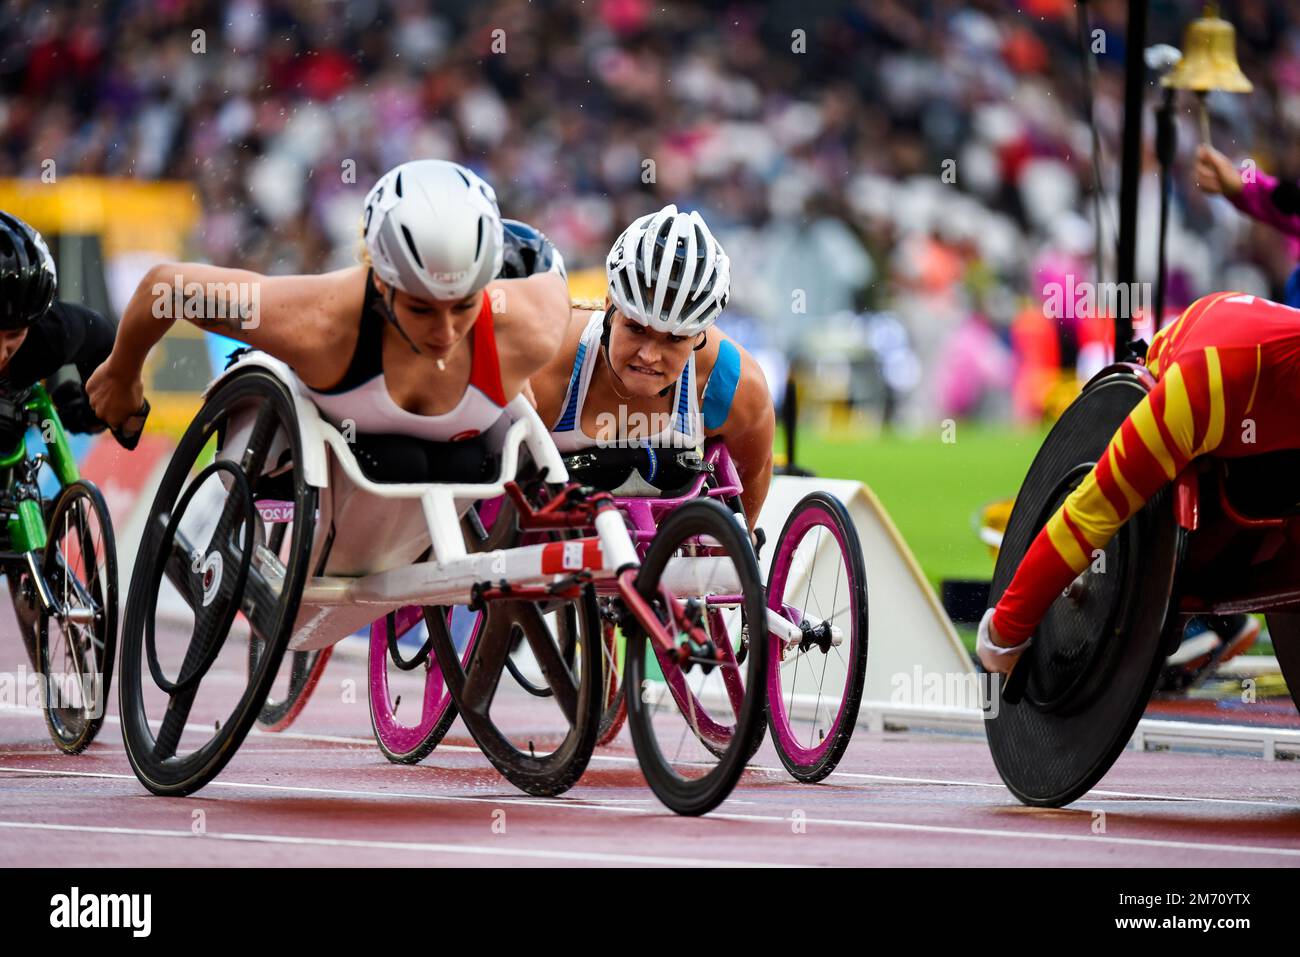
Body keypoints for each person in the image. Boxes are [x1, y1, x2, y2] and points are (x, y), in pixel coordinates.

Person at [87, 160, 569, 482]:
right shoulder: (317, 320)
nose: (445, 333)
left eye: (463, 306)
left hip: (456, 462)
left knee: (471, 462)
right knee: (403, 459)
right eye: (421, 309)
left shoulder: (533, 324)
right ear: (381, 282)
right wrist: (121, 374)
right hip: (332, 455)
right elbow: (165, 288)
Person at [978, 291, 1298, 674]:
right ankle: (1194, 608)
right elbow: (1087, 515)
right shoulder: (1199, 395)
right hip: (1213, 375)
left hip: (1247, 371)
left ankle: (1203, 609)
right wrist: (1003, 633)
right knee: (1127, 500)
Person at [529, 205, 775, 527]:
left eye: (674, 340)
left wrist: (733, 554)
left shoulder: (732, 383)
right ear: (608, 307)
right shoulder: (547, 360)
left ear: (699, 335)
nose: (649, 356)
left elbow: (753, 473)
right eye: (636, 329)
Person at [0, 211, 117, 449]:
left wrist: (92, 411)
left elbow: (102, 339)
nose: (1, 353)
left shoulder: (50, 335)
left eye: (14, 334)